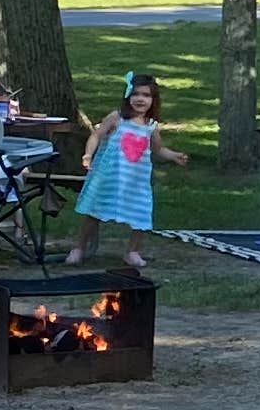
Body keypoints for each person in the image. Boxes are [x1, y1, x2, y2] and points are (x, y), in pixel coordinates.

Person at [62, 71, 185, 270]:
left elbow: (157, 148)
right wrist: (87, 154)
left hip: (136, 181)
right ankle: (79, 248)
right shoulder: (117, 118)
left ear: (153, 100)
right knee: (94, 212)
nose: (140, 99)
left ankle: (133, 251)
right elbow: (96, 135)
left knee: (140, 214)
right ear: (128, 97)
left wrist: (173, 155)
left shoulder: (151, 126)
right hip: (109, 177)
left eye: (146, 95)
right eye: (136, 94)